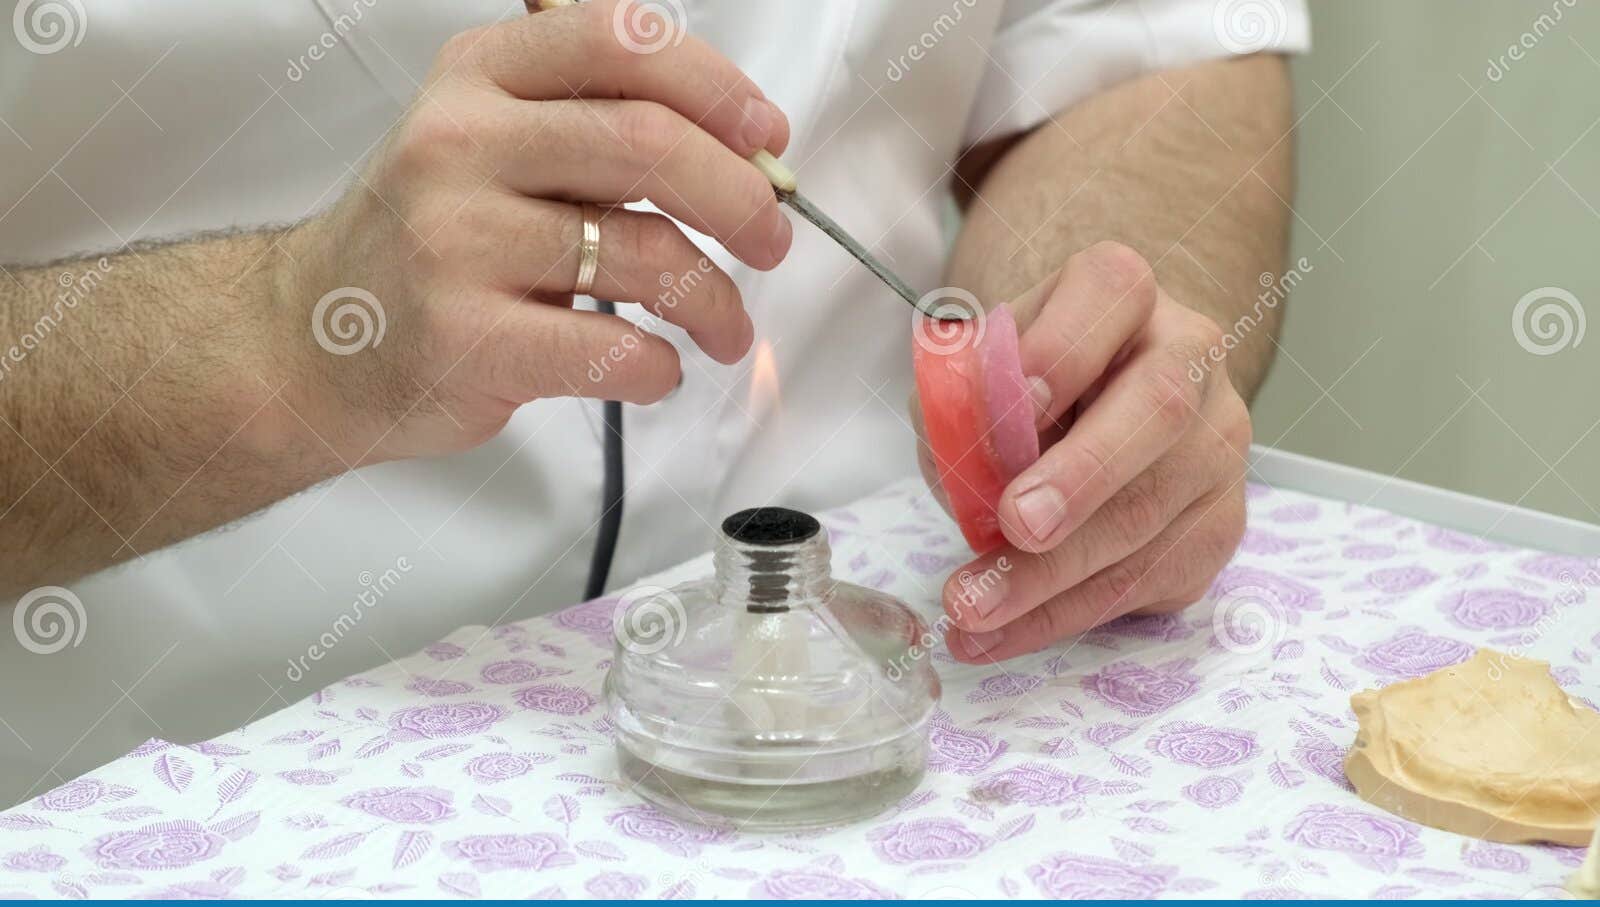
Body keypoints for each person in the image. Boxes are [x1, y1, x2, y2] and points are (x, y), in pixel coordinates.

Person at [0, 0, 1309, 799]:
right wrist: (284, 340)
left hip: (900, 746)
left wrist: (1085, 376)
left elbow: (1152, 50)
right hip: (161, 796)